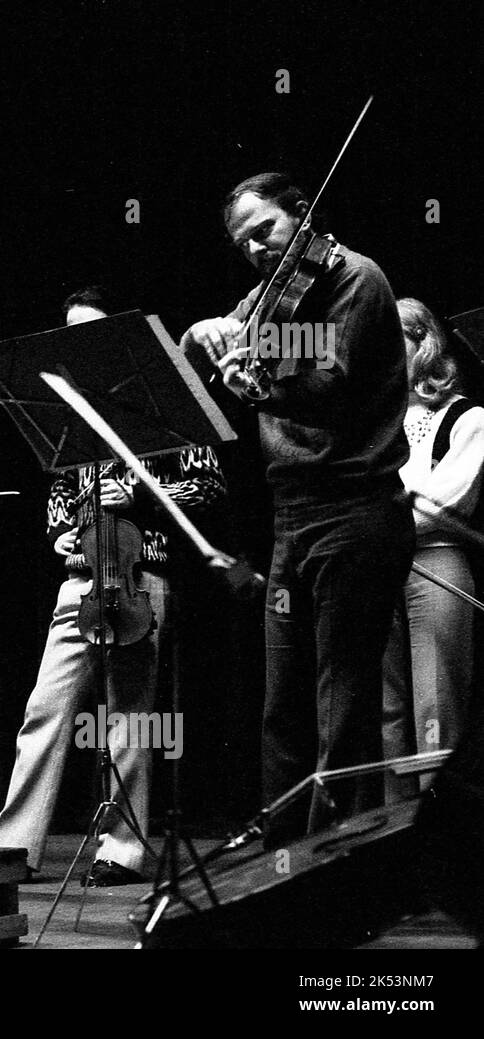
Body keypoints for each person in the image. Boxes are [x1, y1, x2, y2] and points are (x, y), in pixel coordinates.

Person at [184, 172, 413, 845]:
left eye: (266, 230)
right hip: (292, 516)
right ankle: (280, 854)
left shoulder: (357, 280)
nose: (256, 247)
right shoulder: (271, 294)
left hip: (355, 512)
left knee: (341, 702)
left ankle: (334, 862)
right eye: (243, 241)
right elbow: (230, 334)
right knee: (282, 704)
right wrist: (208, 333)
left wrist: (254, 380)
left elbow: (327, 382)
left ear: (301, 213)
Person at [0, 287, 226, 885]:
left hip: (143, 572)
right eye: (68, 332)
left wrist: (141, 494)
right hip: (81, 579)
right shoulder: (67, 409)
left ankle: (123, 849)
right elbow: (58, 502)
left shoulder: (162, 404)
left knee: (130, 722)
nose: (77, 343)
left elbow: (209, 486)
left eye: (89, 330)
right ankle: (12, 847)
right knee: (44, 711)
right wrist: (62, 536)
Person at [383, 297, 484, 796]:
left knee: (436, 702)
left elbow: (444, 502)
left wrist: (374, 511)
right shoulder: (372, 421)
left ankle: (436, 827)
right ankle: (389, 829)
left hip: (434, 560)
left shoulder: (467, 417)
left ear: (422, 341)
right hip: (378, 564)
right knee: (388, 707)